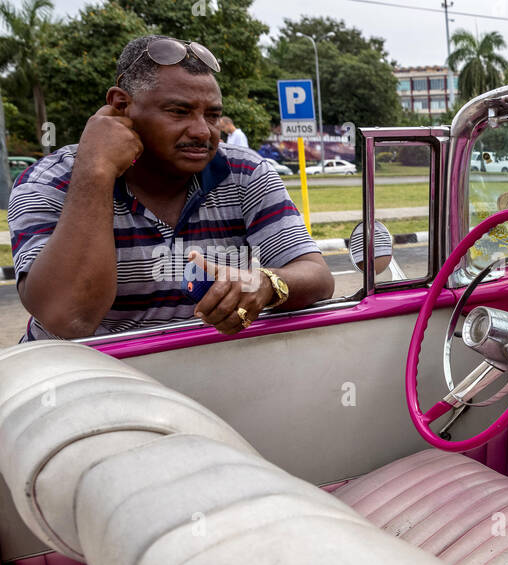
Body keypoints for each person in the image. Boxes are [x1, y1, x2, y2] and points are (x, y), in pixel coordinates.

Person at [8, 35, 334, 341]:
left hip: (199, 378)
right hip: (81, 384)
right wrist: (97, 172)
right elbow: (69, 319)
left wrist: (265, 283)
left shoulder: (244, 173)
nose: (202, 131)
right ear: (121, 106)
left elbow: (317, 277)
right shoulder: (50, 182)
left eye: (212, 115)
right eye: (179, 112)